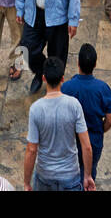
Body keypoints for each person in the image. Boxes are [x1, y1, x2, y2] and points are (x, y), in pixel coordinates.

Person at [24, 56, 95, 191]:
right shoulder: (74, 105)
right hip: (70, 175)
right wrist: (87, 175)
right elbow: (86, 147)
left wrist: (27, 183)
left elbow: (31, 150)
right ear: (62, 78)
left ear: (44, 78)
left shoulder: (36, 109)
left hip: (45, 175)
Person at [61, 44, 111, 182]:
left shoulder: (66, 88)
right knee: (89, 172)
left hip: (71, 141)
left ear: (78, 63)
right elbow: (110, 120)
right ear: (95, 64)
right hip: (93, 140)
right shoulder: (103, 89)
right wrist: (99, 131)